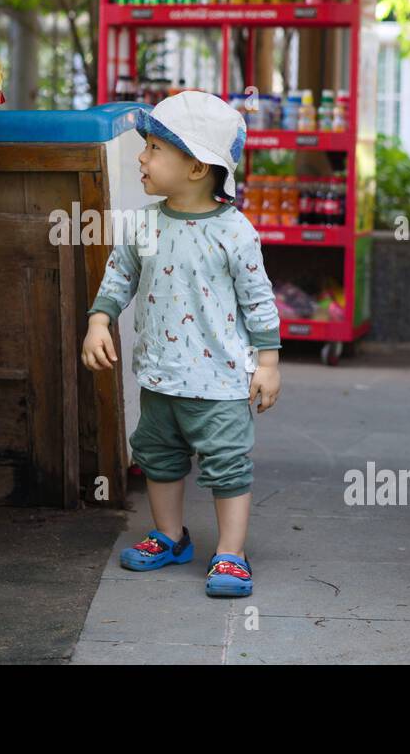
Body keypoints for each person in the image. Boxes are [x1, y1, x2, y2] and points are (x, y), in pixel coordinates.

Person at [81, 90, 281, 597]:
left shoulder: (235, 233)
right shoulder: (143, 225)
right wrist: (99, 322)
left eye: (153, 148)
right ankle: (170, 536)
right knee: (158, 456)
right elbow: (118, 276)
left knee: (227, 463)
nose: (140, 157)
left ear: (196, 168)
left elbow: (259, 301)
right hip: (160, 375)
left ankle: (231, 553)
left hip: (221, 383)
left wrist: (268, 362)